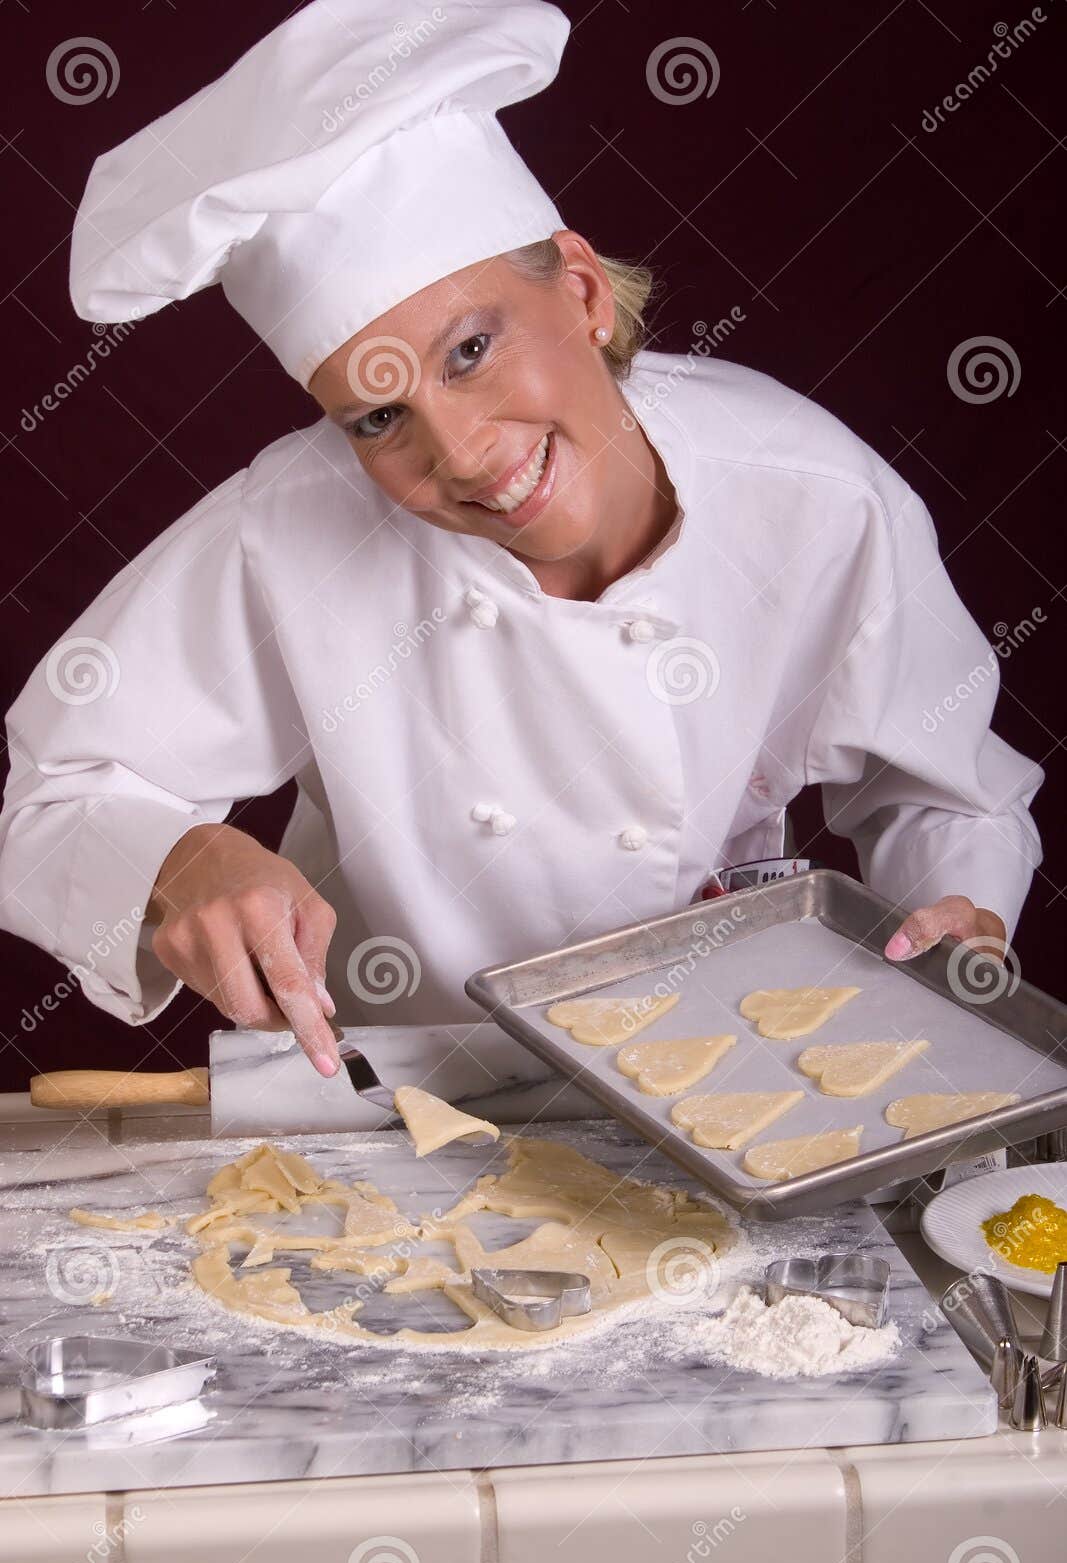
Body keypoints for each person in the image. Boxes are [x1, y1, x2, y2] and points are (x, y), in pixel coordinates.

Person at [0, 1, 1042, 1080]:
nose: (459, 454)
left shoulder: (803, 490)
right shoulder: (287, 533)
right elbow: (52, 800)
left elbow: (940, 786)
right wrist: (181, 857)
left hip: (725, 1086)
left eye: (469, 351)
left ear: (582, 291)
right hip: (404, 1116)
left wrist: (944, 924)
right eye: (377, 417)